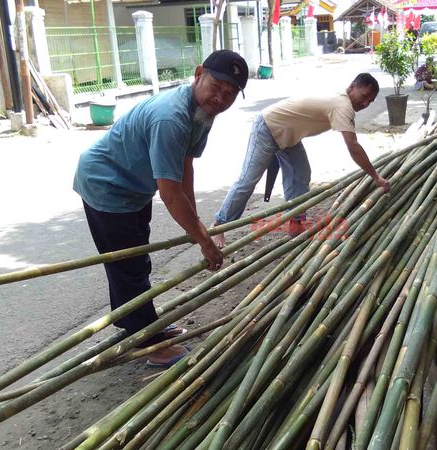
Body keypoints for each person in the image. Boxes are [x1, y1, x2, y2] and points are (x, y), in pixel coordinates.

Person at [73, 50, 248, 367]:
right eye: (217, 86)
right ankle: (148, 343)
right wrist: (204, 241)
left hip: (134, 186)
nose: (221, 98)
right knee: (129, 266)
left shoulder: (202, 112)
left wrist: (196, 224)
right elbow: (170, 193)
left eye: (230, 93)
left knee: (133, 260)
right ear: (199, 74)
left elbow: (185, 166)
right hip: (107, 184)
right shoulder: (171, 117)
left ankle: (135, 323)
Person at [211, 73, 391, 248]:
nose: (365, 103)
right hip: (268, 127)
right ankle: (219, 225)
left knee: (300, 173)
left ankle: (295, 224)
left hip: (289, 135)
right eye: (364, 96)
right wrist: (376, 177)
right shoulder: (343, 106)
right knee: (248, 180)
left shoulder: (342, 101)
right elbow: (353, 146)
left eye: (370, 101)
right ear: (352, 87)